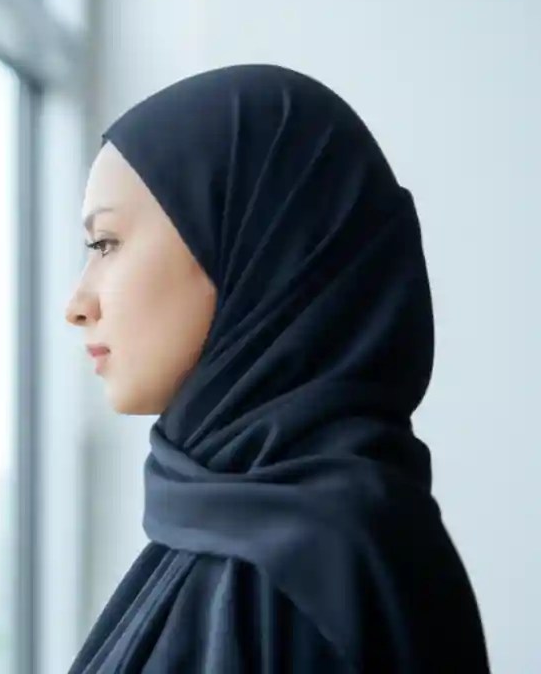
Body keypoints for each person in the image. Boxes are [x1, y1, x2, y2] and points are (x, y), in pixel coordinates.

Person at [63, 63, 489, 673]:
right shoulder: (224, 520)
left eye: (105, 244)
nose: (77, 305)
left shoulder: (309, 571)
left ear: (255, 245)